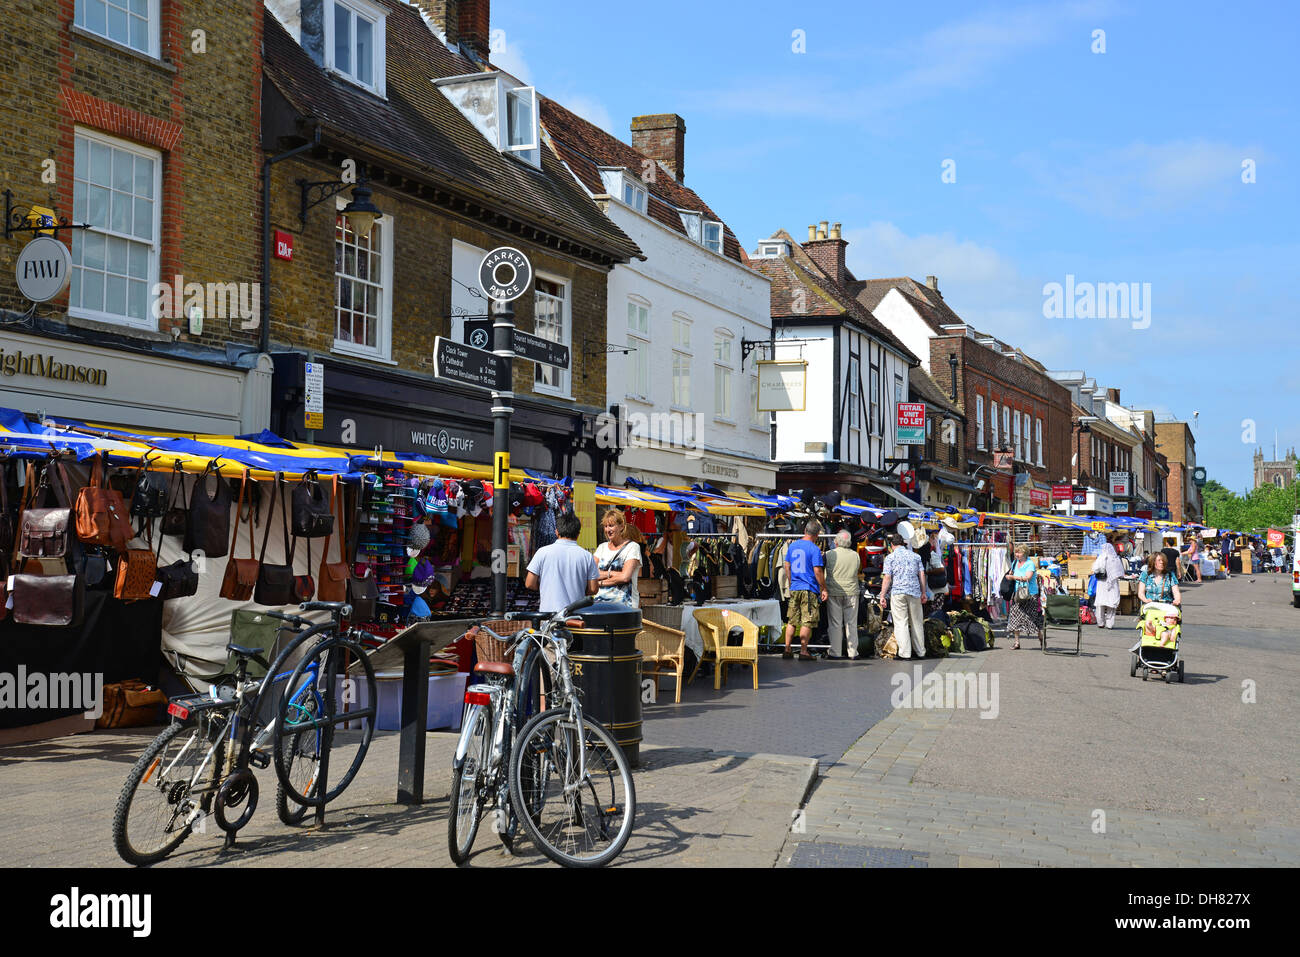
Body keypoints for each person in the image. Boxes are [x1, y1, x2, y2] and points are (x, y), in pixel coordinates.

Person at [525, 511, 599, 613]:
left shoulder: (543, 552)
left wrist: (546, 587)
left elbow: (529, 583)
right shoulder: (587, 556)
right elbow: (593, 589)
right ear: (578, 534)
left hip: (548, 615)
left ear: (556, 532)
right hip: (575, 616)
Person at [782, 519, 827, 661]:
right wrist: (823, 588)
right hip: (808, 588)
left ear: (805, 531)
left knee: (792, 620)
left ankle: (787, 649)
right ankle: (803, 651)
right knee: (807, 621)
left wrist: (791, 582)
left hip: (795, 587)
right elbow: (817, 570)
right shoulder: (814, 549)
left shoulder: (793, 546)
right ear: (817, 535)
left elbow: (787, 566)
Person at [878, 533, 927, 659]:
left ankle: (905, 653)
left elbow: (887, 577)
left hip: (898, 592)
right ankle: (920, 651)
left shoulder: (890, 558)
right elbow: (921, 575)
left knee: (901, 623)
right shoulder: (916, 556)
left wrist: (882, 595)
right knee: (916, 622)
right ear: (903, 544)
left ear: (892, 545)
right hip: (914, 591)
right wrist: (923, 592)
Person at [824, 529, 862, 659]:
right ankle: (852, 652)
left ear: (836, 542)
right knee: (851, 622)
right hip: (851, 591)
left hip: (834, 591)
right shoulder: (855, 555)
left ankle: (836, 652)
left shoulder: (829, 554)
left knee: (835, 623)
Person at [593, 508, 641, 607]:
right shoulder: (601, 548)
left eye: (611, 526)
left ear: (621, 527)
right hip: (600, 604)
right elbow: (592, 574)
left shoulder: (633, 547)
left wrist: (600, 582)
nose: (607, 530)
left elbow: (625, 577)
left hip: (625, 606)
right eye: (605, 526)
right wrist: (613, 574)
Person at [1003, 544, 1043, 650]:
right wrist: (1010, 574)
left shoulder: (1030, 564)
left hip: (1030, 594)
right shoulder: (1015, 563)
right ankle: (1017, 643)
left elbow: (1028, 578)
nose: (1017, 554)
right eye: (1016, 552)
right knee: (1014, 616)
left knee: (1033, 618)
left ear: (1025, 553)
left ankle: (1041, 638)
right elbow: (1012, 572)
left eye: (1019, 552)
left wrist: (1013, 577)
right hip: (1018, 594)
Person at [1091, 532, 1125, 629]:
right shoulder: (1115, 558)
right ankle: (1109, 624)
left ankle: (1100, 623)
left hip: (1102, 583)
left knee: (1100, 604)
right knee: (1111, 604)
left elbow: (1095, 569)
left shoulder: (1101, 558)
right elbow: (1120, 572)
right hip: (1113, 584)